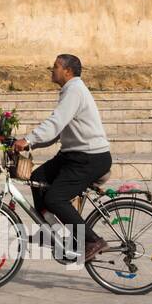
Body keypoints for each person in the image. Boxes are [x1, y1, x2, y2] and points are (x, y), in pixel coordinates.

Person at [11, 54, 111, 262]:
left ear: (67, 71)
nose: (51, 70)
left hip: (89, 157)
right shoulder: (70, 91)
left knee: (55, 198)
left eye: (55, 67)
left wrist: (28, 139)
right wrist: (29, 143)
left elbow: (55, 123)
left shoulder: (74, 90)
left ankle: (92, 240)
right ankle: (50, 230)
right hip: (73, 155)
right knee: (38, 179)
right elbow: (58, 132)